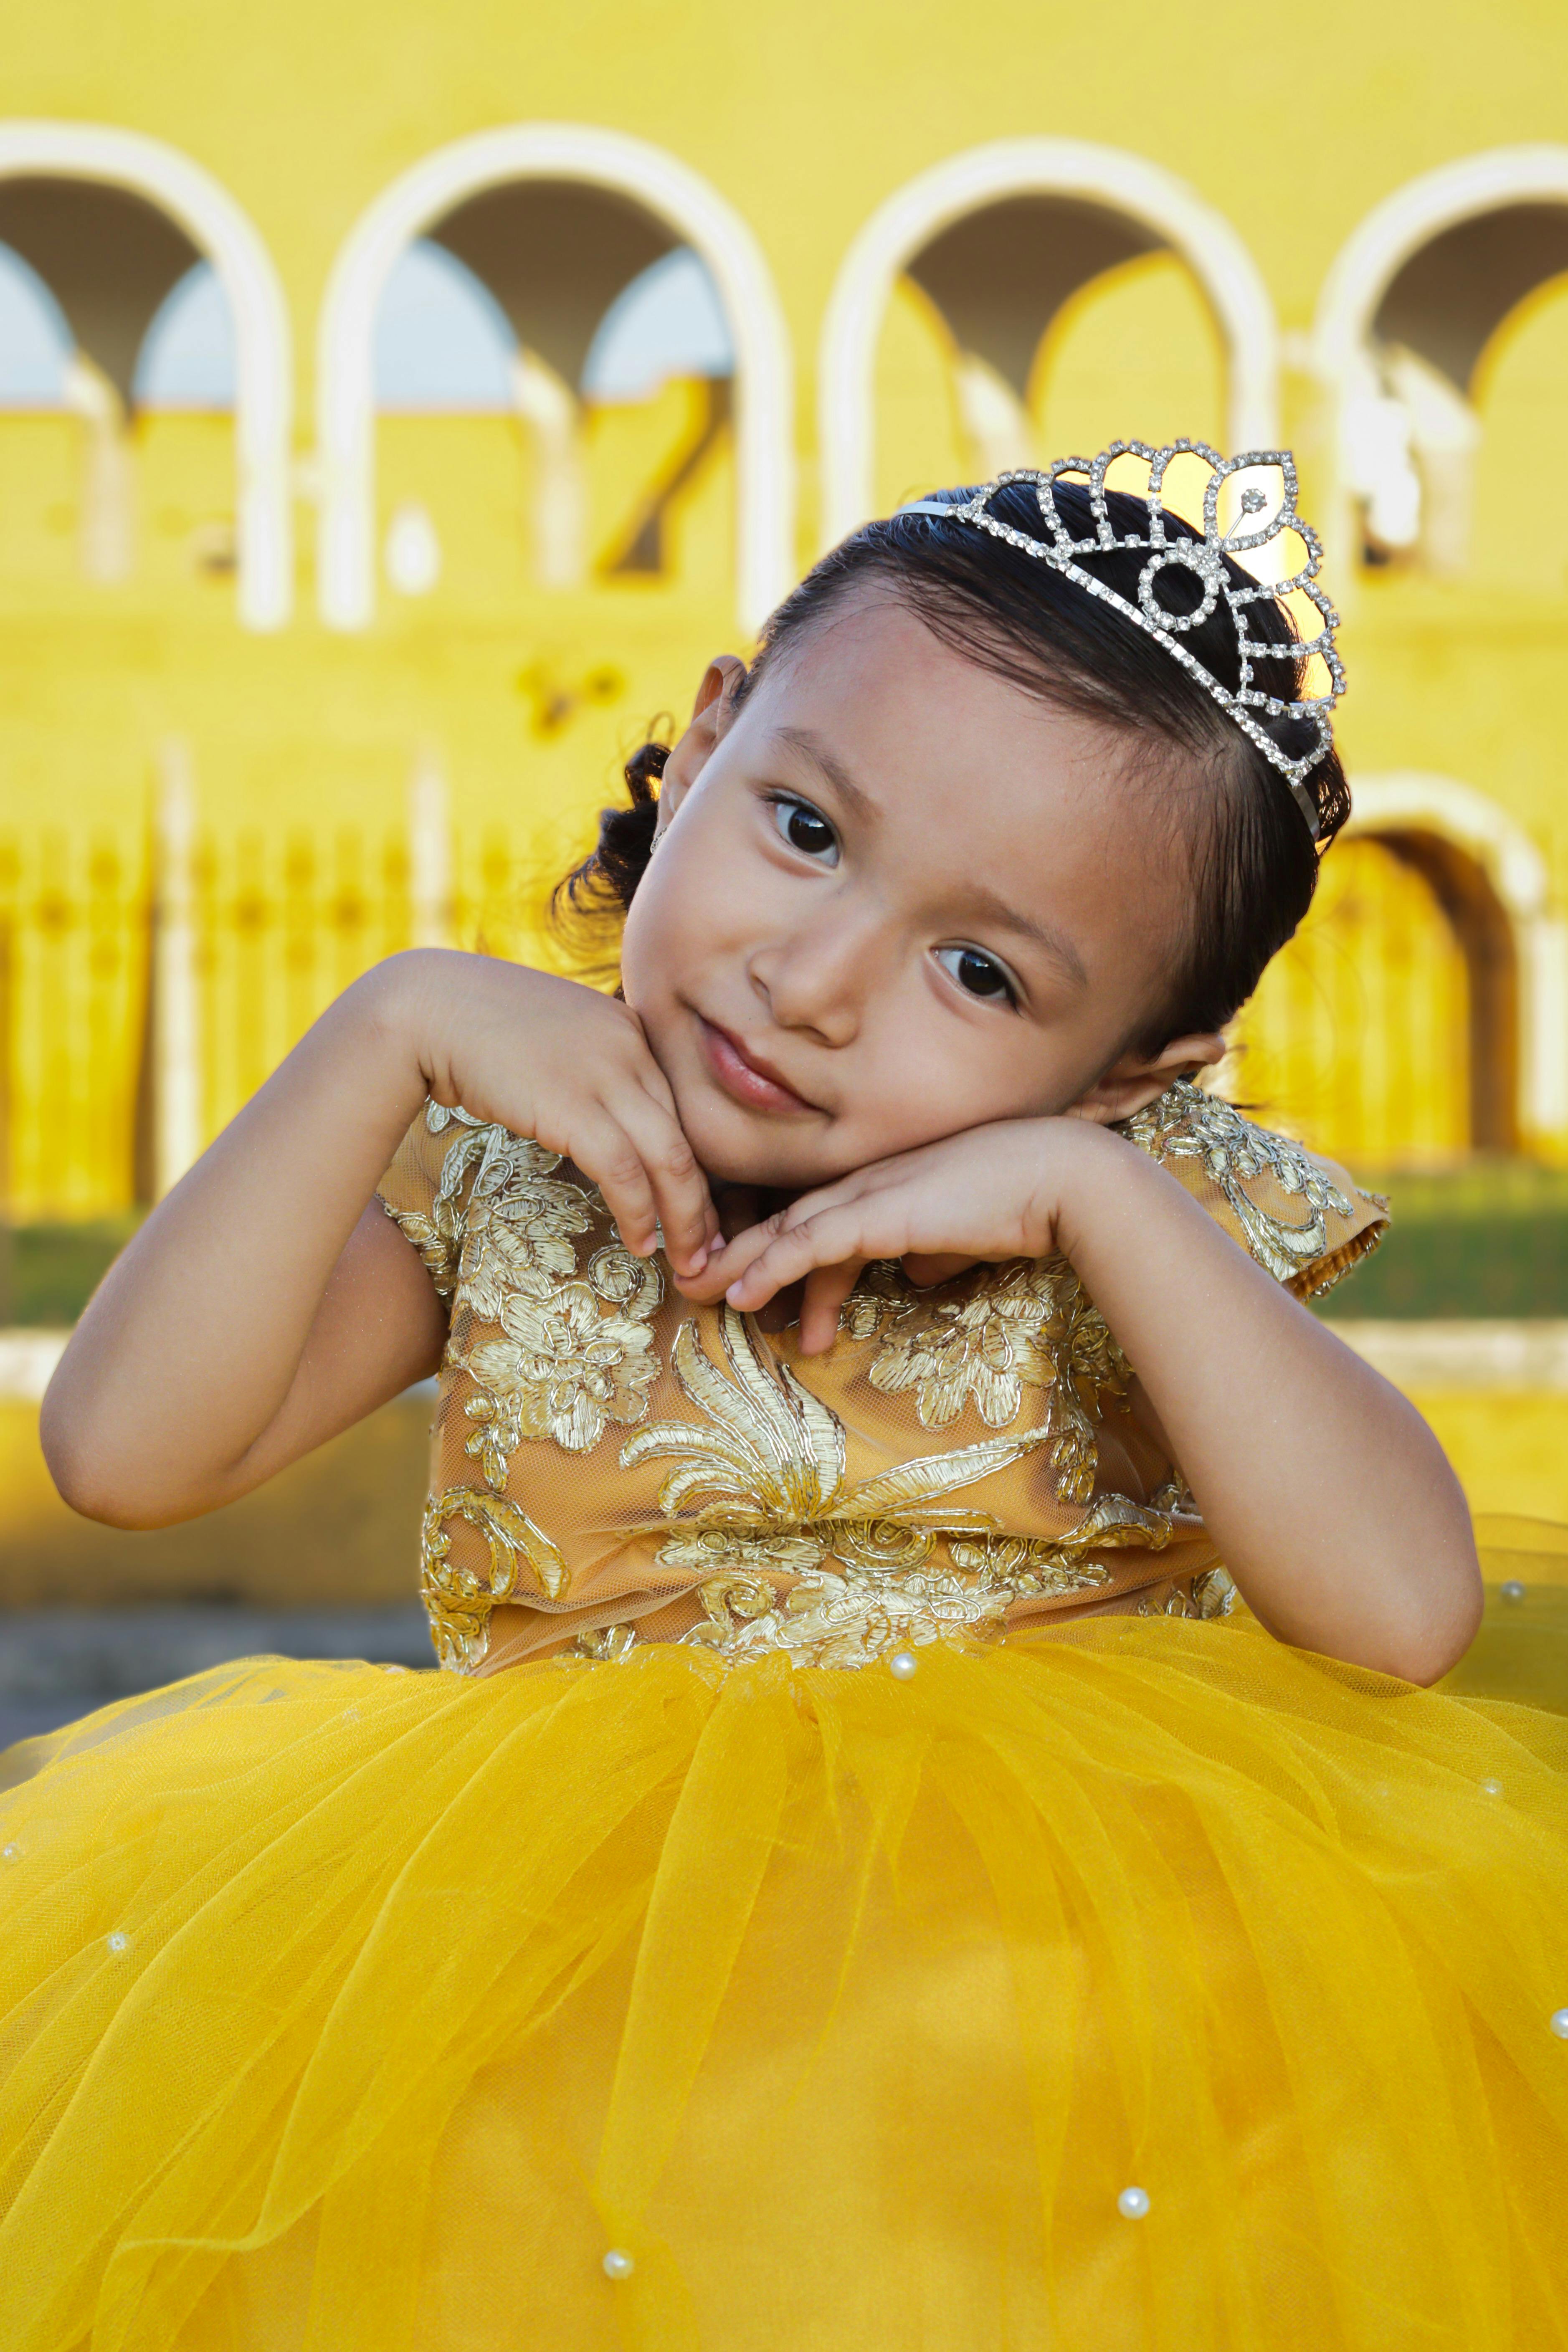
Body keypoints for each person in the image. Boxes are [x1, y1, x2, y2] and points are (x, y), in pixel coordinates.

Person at [3, 446, 1565, 2351]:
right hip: (556, 2040)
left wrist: (1101, 1203)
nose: (816, 979)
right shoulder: (522, 1189)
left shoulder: (1131, 1235)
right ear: (711, 733)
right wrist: (384, 1030)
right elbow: (120, 1448)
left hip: (1068, 2064)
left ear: (1133, 1066)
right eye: (810, 828)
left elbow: (1403, 1608)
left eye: (980, 971)